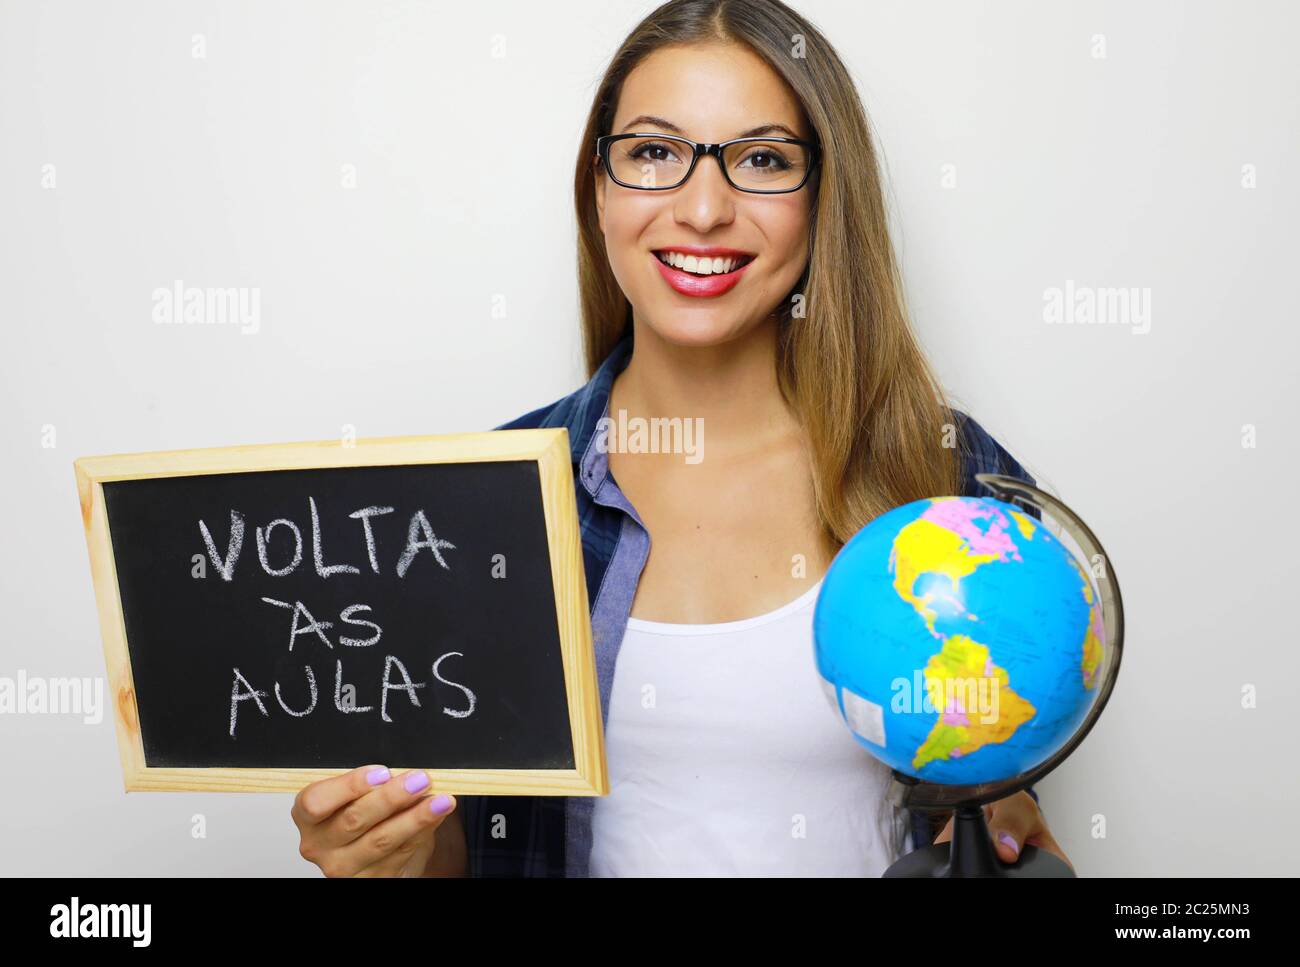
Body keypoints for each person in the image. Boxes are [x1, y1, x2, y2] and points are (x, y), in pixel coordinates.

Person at [291, 0, 1072, 877]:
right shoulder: (483, 503)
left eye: (764, 159)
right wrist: (391, 856)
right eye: (655, 153)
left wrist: (1002, 800)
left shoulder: (951, 479)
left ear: (825, 202)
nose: (704, 209)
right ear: (598, 187)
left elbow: (1005, 785)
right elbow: (468, 852)